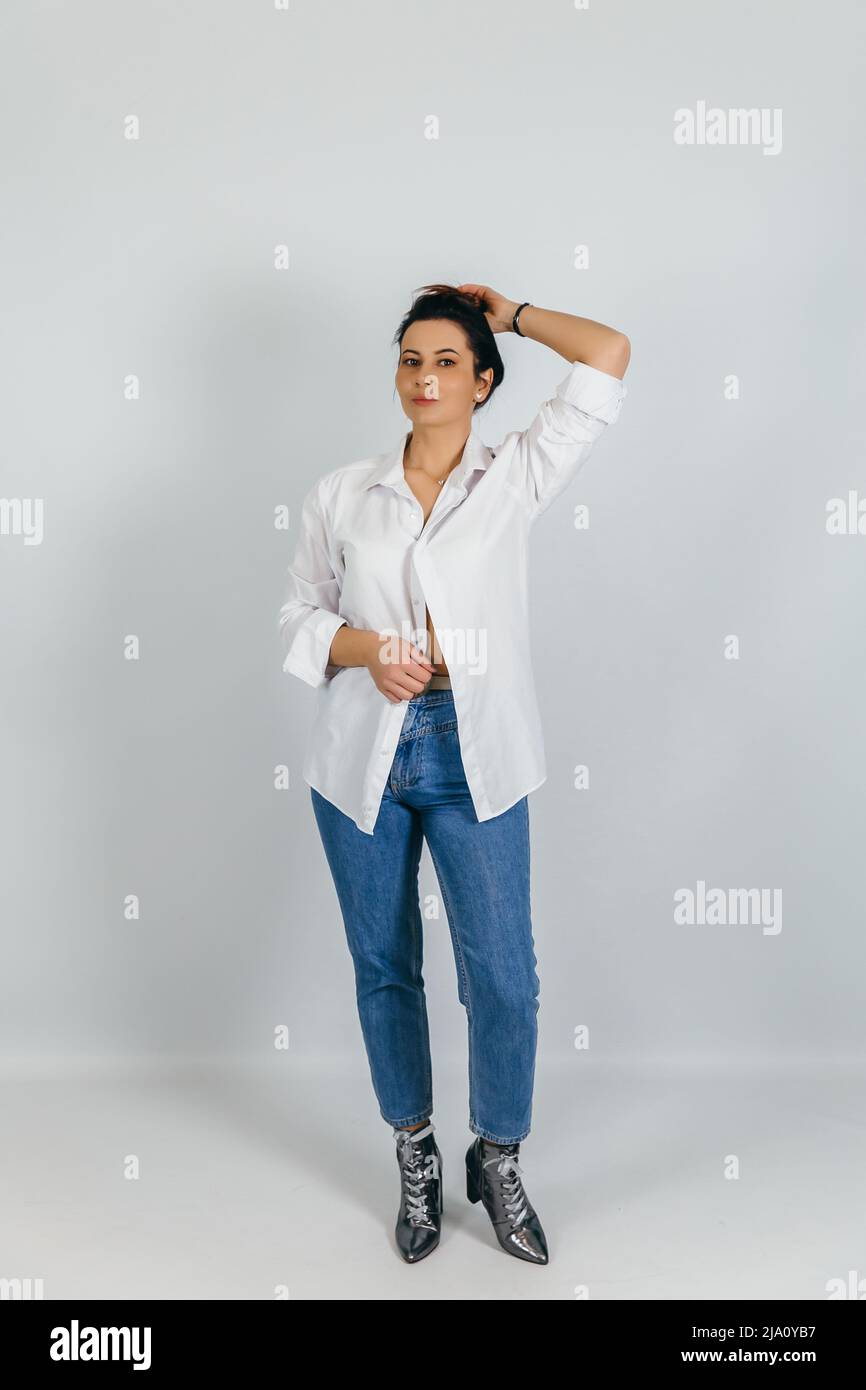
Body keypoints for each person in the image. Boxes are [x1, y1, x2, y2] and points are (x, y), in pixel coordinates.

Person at [279, 283, 630, 1264]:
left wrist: (509, 312)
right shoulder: (342, 492)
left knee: (503, 978)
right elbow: (297, 617)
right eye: (408, 359)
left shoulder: (514, 471)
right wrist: (363, 648)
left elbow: (606, 354)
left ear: (482, 382)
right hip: (362, 760)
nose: (423, 377)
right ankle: (415, 1152)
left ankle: (499, 1154)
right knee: (385, 968)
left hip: (478, 756)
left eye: (444, 361)